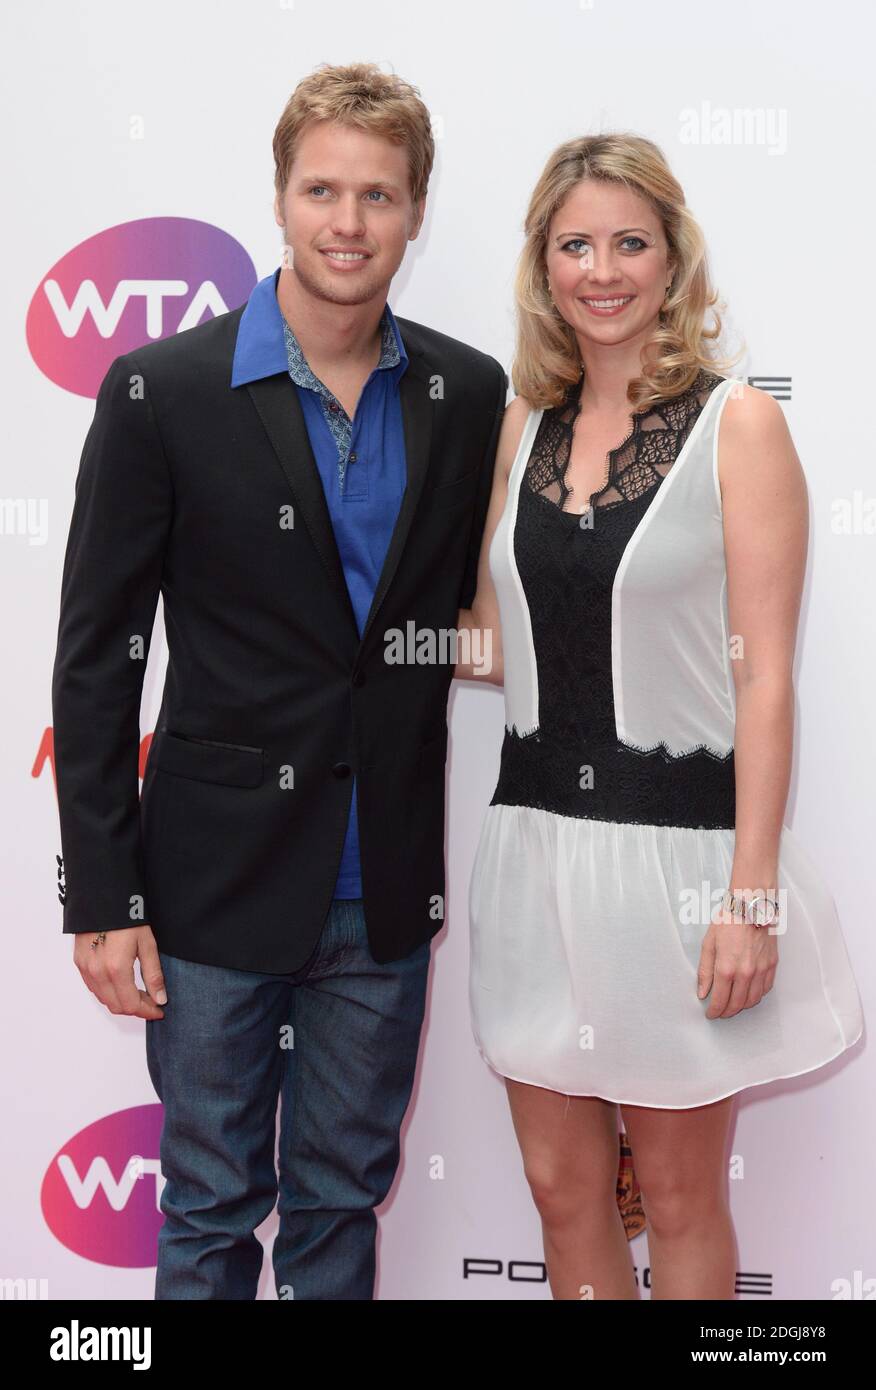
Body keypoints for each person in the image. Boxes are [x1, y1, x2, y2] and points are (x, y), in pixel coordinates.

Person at [51, 61, 506, 1300]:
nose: (347, 223)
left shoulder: (466, 393)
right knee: (205, 1207)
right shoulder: (164, 391)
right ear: (279, 197)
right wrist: (102, 894)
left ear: (416, 213)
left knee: (339, 1207)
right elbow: (98, 659)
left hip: (385, 878)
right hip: (209, 884)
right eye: (322, 190)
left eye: (378, 195)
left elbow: (480, 599)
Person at [455, 133, 864, 1300]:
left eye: (630, 241)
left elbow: (766, 680)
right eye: (574, 243)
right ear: (542, 266)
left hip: (678, 873)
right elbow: (493, 642)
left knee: (681, 1199)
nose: (602, 269)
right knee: (564, 1191)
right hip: (531, 854)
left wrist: (751, 896)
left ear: (674, 258)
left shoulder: (741, 426)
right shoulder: (521, 427)